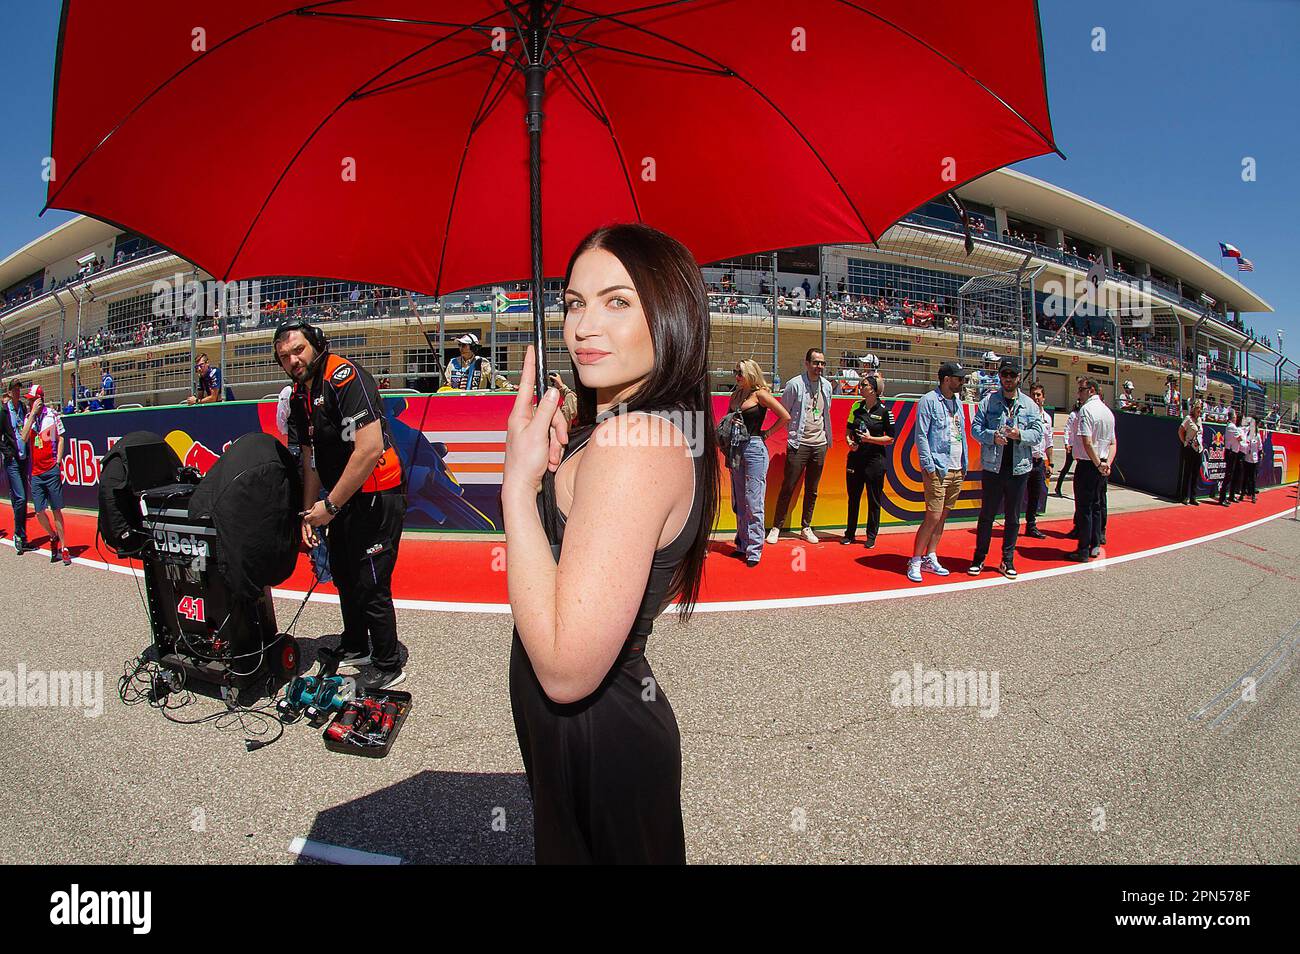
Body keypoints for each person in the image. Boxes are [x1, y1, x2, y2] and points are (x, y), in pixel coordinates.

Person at [502, 223, 719, 864]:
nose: (583, 326)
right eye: (574, 302)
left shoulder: (635, 444)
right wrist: (558, 467)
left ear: (672, 313)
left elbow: (567, 668)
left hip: (598, 740)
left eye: (618, 301)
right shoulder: (636, 430)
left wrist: (516, 490)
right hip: (590, 743)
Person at [277, 320, 408, 692]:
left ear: (316, 345)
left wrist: (330, 506)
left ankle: (388, 662)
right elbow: (308, 456)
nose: (293, 360)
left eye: (298, 350)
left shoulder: (344, 376)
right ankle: (356, 644)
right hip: (343, 498)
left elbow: (369, 449)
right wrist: (309, 512)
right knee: (344, 573)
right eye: (285, 356)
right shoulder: (299, 395)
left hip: (377, 494)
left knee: (371, 581)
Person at [968, 358, 1043, 578]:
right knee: (986, 516)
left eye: (1012, 375)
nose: (1008, 379)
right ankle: (979, 558)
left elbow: (1038, 433)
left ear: (1018, 378)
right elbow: (975, 429)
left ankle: (1007, 560)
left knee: (1012, 518)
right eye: (1004, 375)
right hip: (993, 468)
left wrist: (1020, 435)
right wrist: (993, 437)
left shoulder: (1029, 405)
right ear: (999, 376)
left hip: (1019, 469)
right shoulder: (988, 402)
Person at [907, 361, 968, 582]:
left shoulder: (958, 403)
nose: (962, 382)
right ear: (946, 379)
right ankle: (915, 559)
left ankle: (930, 556)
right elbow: (921, 436)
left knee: (942, 515)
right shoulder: (928, 401)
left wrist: (964, 463)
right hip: (938, 468)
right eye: (958, 378)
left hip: (957, 467)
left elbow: (960, 432)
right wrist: (929, 466)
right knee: (933, 515)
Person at [766, 349, 833, 545]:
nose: (819, 366)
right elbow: (784, 412)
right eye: (815, 362)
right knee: (788, 486)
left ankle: (806, 526)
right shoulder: (794, 385)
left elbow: (825, 413)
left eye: (822, 363)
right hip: (798, 443)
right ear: (806, 363)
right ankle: (777, 527)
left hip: (820, 444)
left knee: (812, 489)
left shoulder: (827, 386)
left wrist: (825, 438)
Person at [726, 359, 788, 566]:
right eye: (736, 372)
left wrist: (768, 432)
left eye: (741, 372)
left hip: (754, 448)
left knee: (754, 501)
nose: (737, 375)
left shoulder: (760, 394)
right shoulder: (735, 395)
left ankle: (754, 550)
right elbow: (728, 421)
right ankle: (742, 544)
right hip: (736, 448)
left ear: (751, 373)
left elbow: (785, 416)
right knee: (740, 501)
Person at [1064, 378, 1116, 563]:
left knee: (1085, 507)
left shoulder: (1086, 410)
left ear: (1091, 390)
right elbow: (1112, 443)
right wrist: (1106, 463)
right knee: (1096, 505)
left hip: (1089, 464)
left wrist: (1097, 463)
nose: (1079, 393)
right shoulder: (1108, 412)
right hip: (1101, 463)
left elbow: (1087, 442)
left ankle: (1083, 549)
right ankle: (1095, 544)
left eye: (1081, 389)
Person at [19, 385, 71, 565]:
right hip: (36, 473)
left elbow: (62, 436)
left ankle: (64, 547)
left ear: (40, 399)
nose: (29, 402)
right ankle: (52, 535)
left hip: (51, 470)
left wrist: (58, 461)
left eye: (32, 399)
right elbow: (23, 438)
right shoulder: (28, 418)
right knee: (39, 511)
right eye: (29, 400)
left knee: (56, 509)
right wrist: (32, 414)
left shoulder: (53, 415)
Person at [842, 373, 894, 549]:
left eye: (863, 385)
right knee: (853, 497)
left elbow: (890, 439)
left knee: (874, 499)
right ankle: (849, 533)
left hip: (875, 460)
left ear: (872, 389)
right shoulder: (856, 407)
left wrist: (870, 439)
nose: (860, 387)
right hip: (856, 458)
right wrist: (850, 443)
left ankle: (871, 535)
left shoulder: (885, 411)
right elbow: (848, 430)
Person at [1, 380, 32, 555]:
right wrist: (7, 452)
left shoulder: (22, 407)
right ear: (9, 392)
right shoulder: (4, 411)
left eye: (19, 390)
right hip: (12, 459)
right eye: (15, 390)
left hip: (23, 458)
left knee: (20, 497)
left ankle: (22, 534)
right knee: (20, 498)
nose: (18, 393)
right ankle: (19, 535)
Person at [1023, 381, 1053, 538]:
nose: (1036, 398)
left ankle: (1031, 525)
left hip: (1039, 461)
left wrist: (1051, 463)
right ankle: (1012, 525)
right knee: (1018, 495)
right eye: (1033, 394)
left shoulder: (1047, 418)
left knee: (1035, 495)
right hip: (1025, 460)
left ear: (1044, 398)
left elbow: (1049, 441)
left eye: (1038, 395)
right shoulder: (1024, 415)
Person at [1178, 399, 1205, 505]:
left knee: (1195, 474)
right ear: (1193, 409)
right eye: (1198, 408)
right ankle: (1184, 496)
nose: (1199, 410)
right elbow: (1180, 430)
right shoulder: (1188, 419)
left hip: (1198, 449)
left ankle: (1193, 497)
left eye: (1200, 408)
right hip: (1190, 448)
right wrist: (1184, 442)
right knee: (1187, 473)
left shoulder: (1200, 420)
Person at [1055, 397, 1080, 497]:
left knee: (1079, 470)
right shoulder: (1073, 415)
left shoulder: (1084, 414)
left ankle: (1078, 490)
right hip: (1072, 445)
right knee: (1066, 467)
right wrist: (1066, 443)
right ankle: (1058, 486)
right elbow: (1067, 429)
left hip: (1080, 446)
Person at [1218, 408, 1242, 506]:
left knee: (1229, 475)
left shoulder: (1231, 426)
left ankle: (1224, 497)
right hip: (1231, 452)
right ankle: (1222, 498)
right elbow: (1240, 438)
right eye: (1235, 417)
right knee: (1228, 475)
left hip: (1232, 452)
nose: (1236, 419)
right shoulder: (1232, 427)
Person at [1239, 416, 1261, 504]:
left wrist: (1260, 454)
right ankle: (1242, 493)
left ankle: (1253, 495)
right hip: (1246, 457)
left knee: (1252, 478)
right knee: (1245, 476)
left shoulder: (1257, 436)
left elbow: (1260, 447)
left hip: (1254, 459)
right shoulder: (1246, 433)